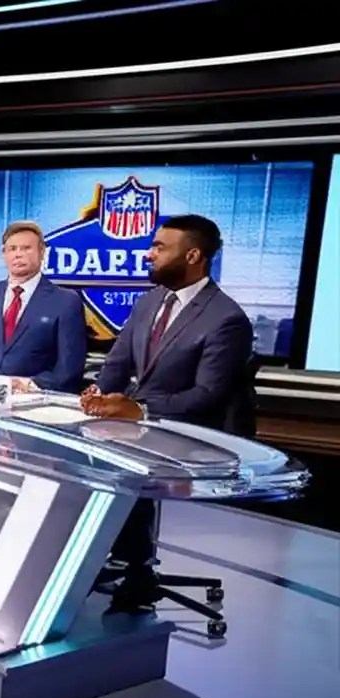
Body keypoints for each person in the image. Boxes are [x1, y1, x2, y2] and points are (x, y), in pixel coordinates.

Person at [81, 213, 254, 608]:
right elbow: (119, 362)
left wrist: (139, 410)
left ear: (193, 256)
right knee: (81, 456)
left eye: (160, 248)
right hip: (135, 426)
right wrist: (99, 396)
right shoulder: (148, 301)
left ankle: (134, 567)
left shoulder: (226, 318)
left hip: (189, 433)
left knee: (121, 468)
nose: (148, 254)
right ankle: (115, 560)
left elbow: (208, 395)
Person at [0, 221, 88, 393]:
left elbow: (69, 369)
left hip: (33, 401)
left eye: (26, 248)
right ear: (3, 254)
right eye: (12, 249)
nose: (18, 254)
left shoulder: (66, 301)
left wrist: (28, 384)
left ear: (42, 252)